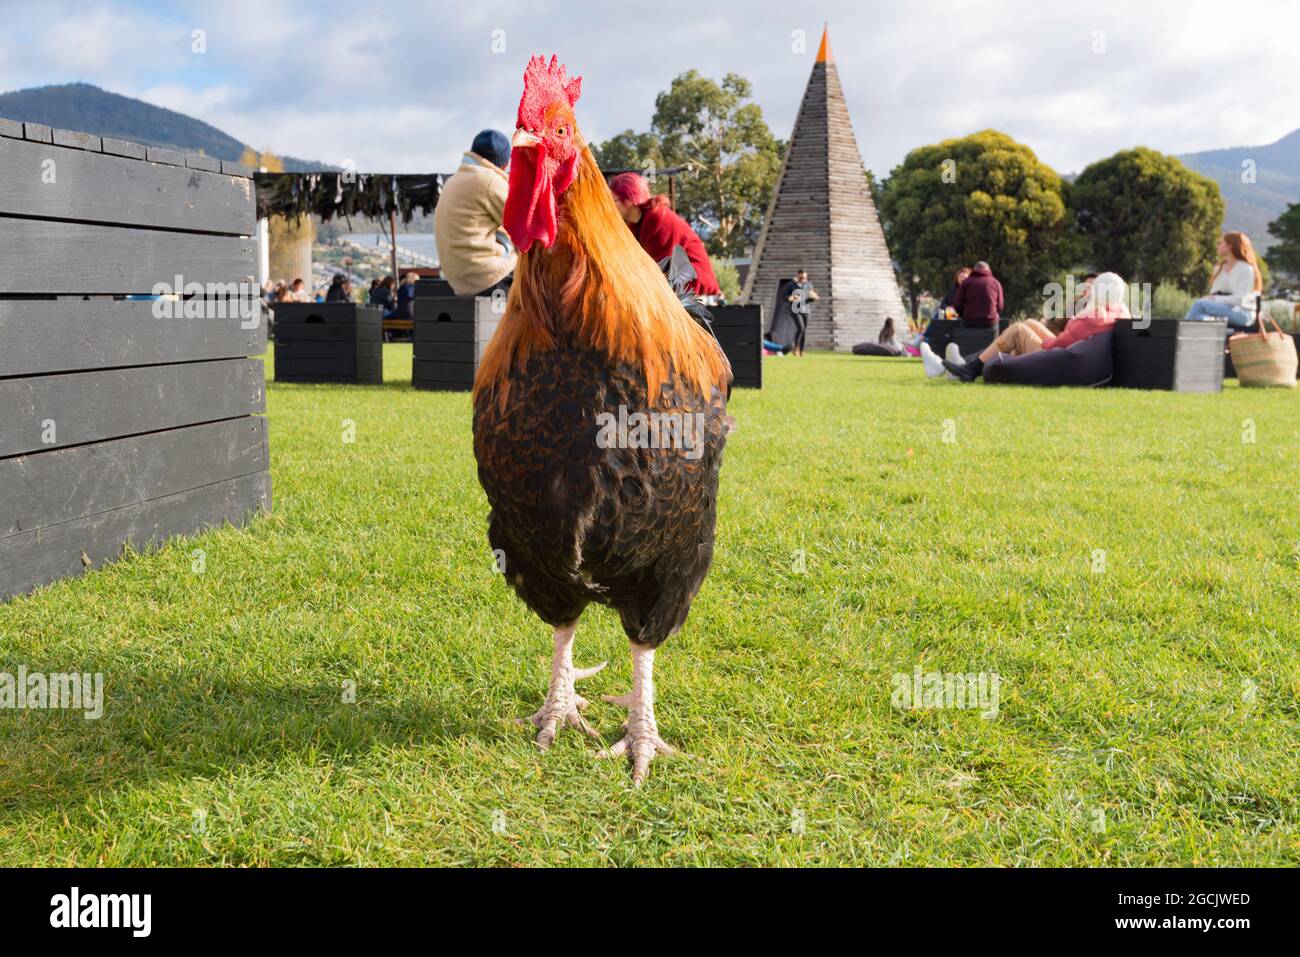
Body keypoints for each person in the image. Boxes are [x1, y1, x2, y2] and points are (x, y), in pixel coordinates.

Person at [933, 271, 1130, 382]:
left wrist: (1047, 338)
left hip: (1060, 353)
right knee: (1029, 323)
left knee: (1019, 330)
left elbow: (1061, 341)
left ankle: (971, 368)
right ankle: (968, 364)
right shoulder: (1118, 311)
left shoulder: (1092, 316)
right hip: (1067, 350)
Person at [433, 129, 516, 297]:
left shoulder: (454, 180)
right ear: (504, 164)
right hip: (487, 277)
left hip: (458, 280)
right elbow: (523, 225)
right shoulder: (489, 180)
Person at [608, 172, 720, 297]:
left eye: (613, 199)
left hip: (697, 294)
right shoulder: (636, 225)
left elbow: (661, 272)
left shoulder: (658, 219)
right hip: (679, 293)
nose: (610, 205)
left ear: (629, 200)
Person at [1185, 232, 1263, 331]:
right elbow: (1215, 293)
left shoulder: (1246, 269)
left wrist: (1213, 298)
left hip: (1243, 313)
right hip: (1224, 310)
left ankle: (1180, 341)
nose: (1217, 246)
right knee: (1201, 318)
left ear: (1229, 246)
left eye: (1220, 243)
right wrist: (1213, 298)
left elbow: (1239, 300)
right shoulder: (1219, 268)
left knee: (1200, 304)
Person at [951, 261, 1003, 327]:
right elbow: (1000, 306)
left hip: (968, 322)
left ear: (974, 270)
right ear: (989, 270)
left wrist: (963, 315)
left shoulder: (966, 283)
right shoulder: (996, 283)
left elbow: (957, 304)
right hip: (990, 323)